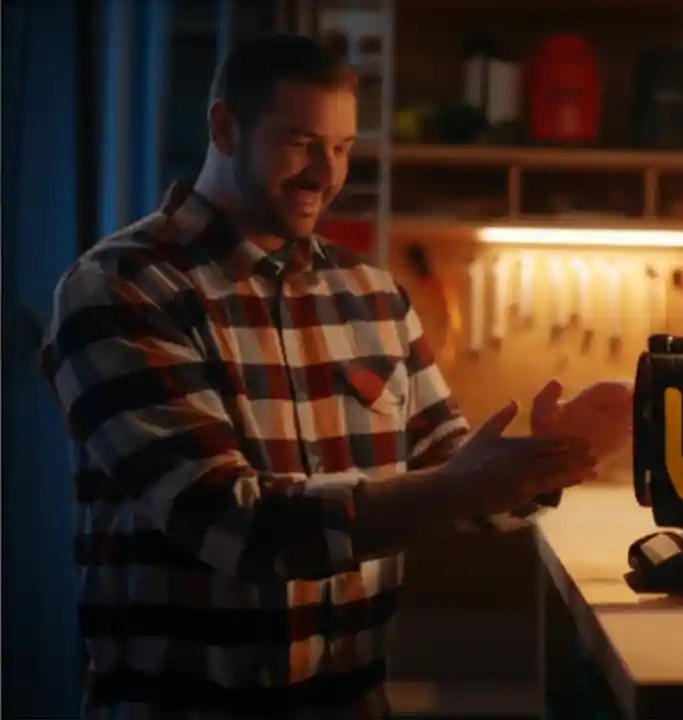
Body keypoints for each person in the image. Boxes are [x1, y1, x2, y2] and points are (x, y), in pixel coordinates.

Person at [40, 34, 632, 719]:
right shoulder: (121, 289)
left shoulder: (372, 296)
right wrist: (456, 484)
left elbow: (456, 478)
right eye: (299, 143)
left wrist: (549, 456)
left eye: (343, 149)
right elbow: (229, 522)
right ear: (225, 127)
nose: (325, 173)